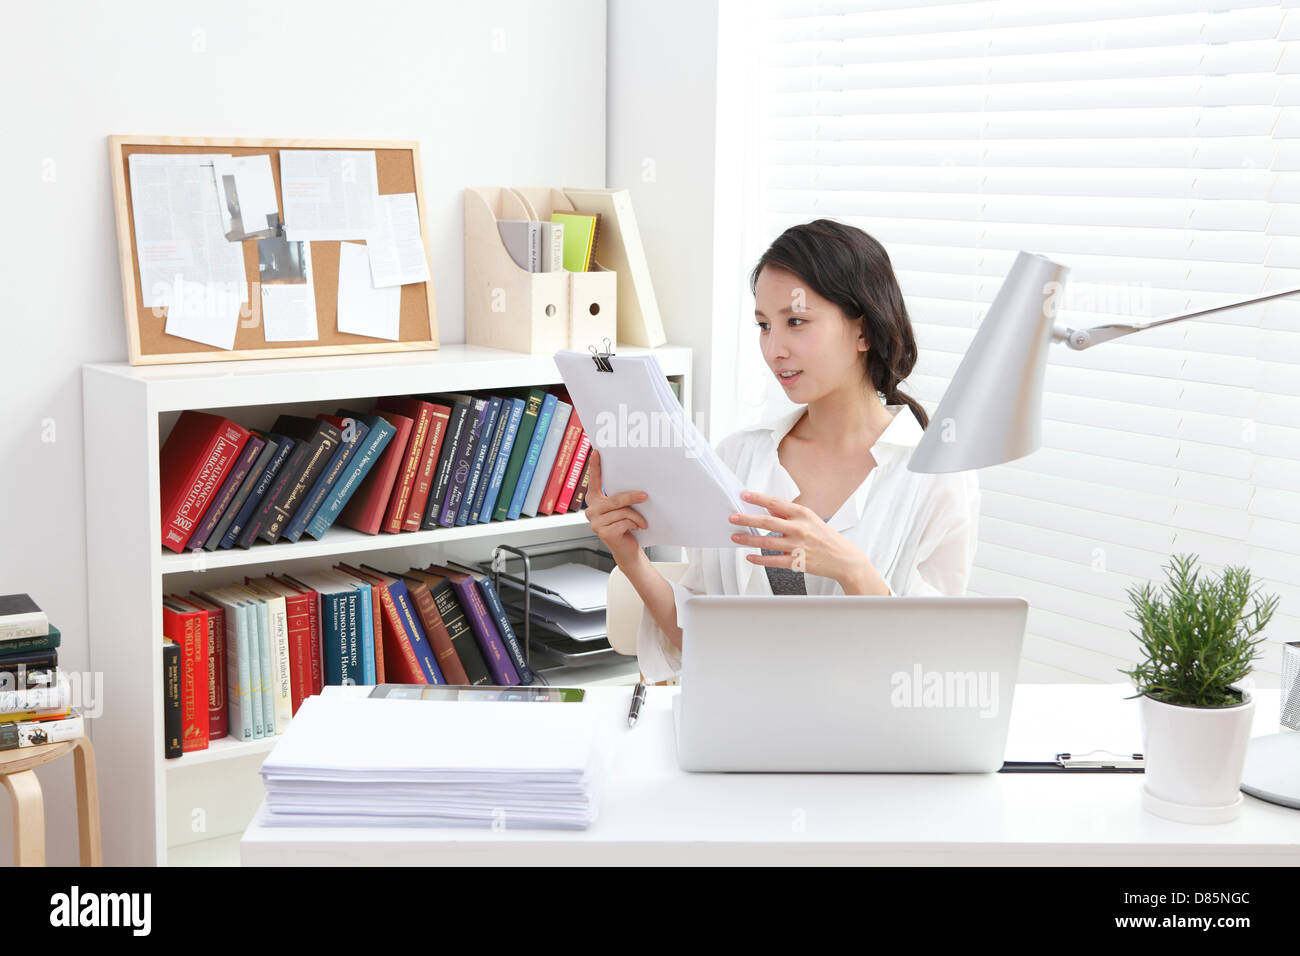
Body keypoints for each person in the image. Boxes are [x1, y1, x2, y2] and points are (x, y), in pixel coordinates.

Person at [584, 219, 981, 683]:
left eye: (796, 322)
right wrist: (628, 555)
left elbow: (930, 672)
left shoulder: (936, 478)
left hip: (866, 740)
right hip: (744, 729)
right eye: (763, 326)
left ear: (863, 331)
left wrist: (853, 569)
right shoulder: (737, 459)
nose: (774, 349)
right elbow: (700, 643)